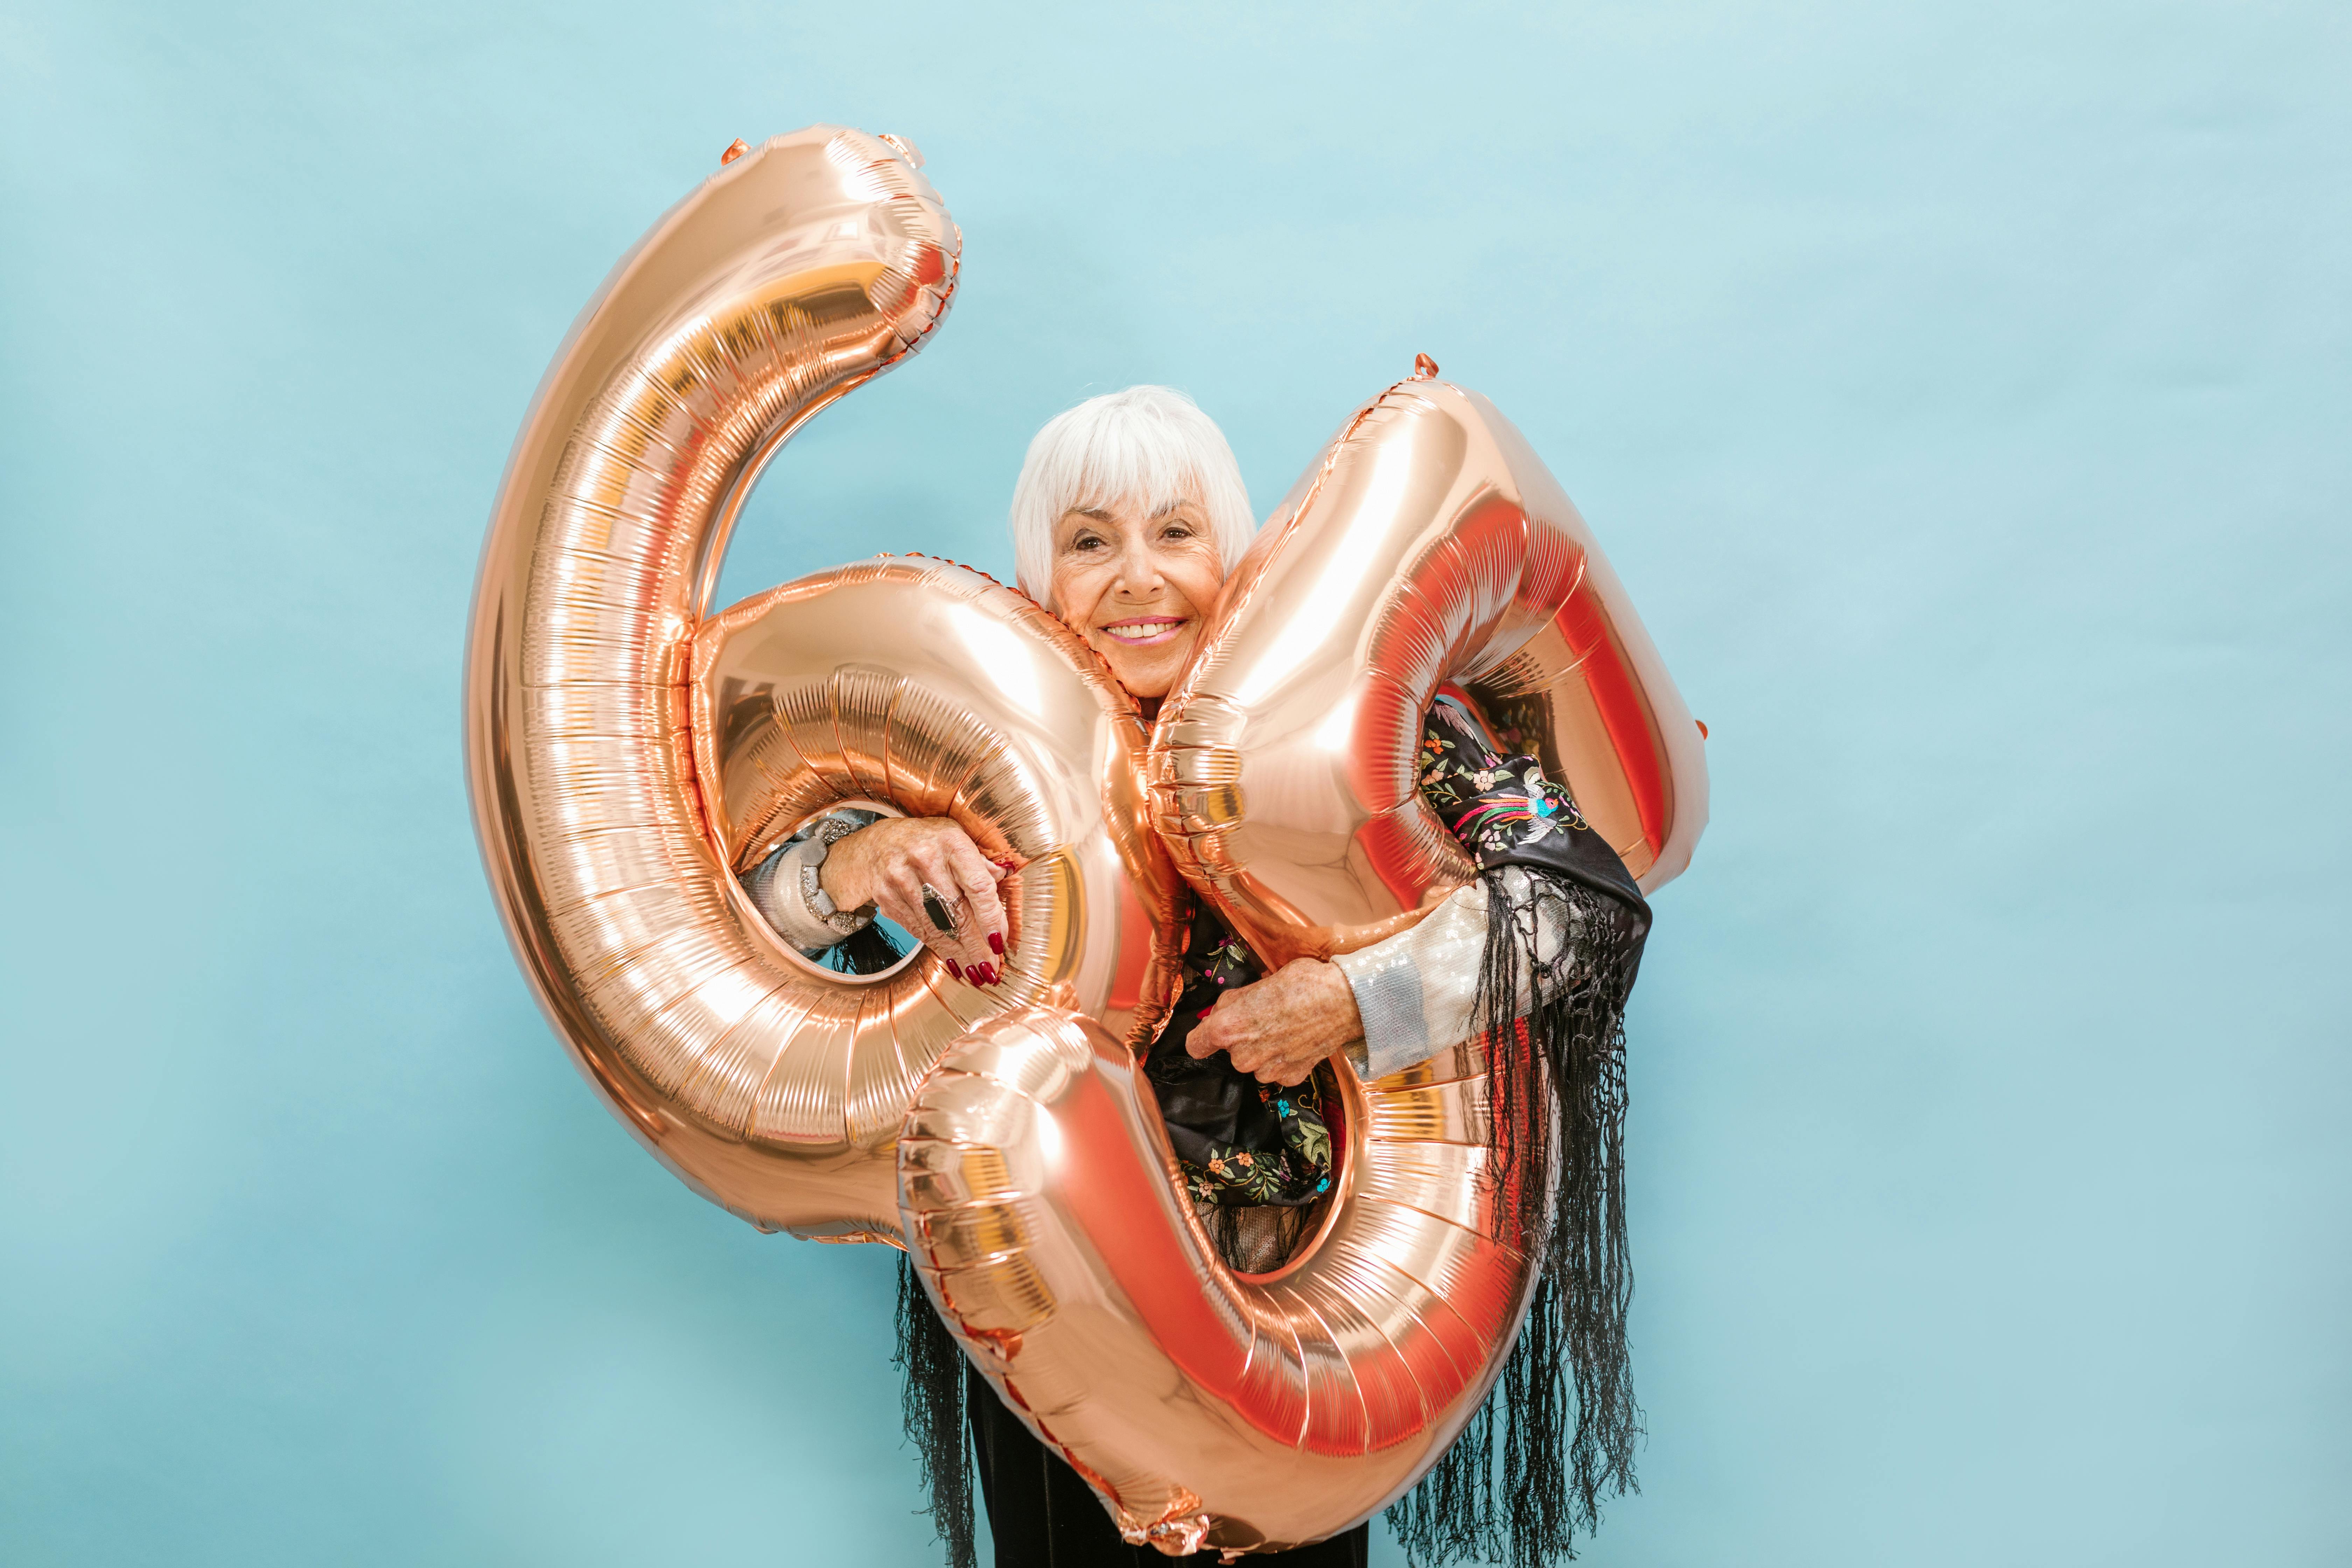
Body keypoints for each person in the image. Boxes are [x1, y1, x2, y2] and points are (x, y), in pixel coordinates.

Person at [743, 387, 1650, 1568]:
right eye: (1089, 541)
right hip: (1047, 1290)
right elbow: (744, 942)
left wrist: (1354, 1000)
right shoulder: (958, 754)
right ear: (1039, 573)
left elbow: (1588, 910)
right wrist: (854, 861)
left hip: (1296, 1310)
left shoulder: (1364, 731)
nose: (1136, 578)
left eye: (1175, 533)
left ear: (1239, 557)